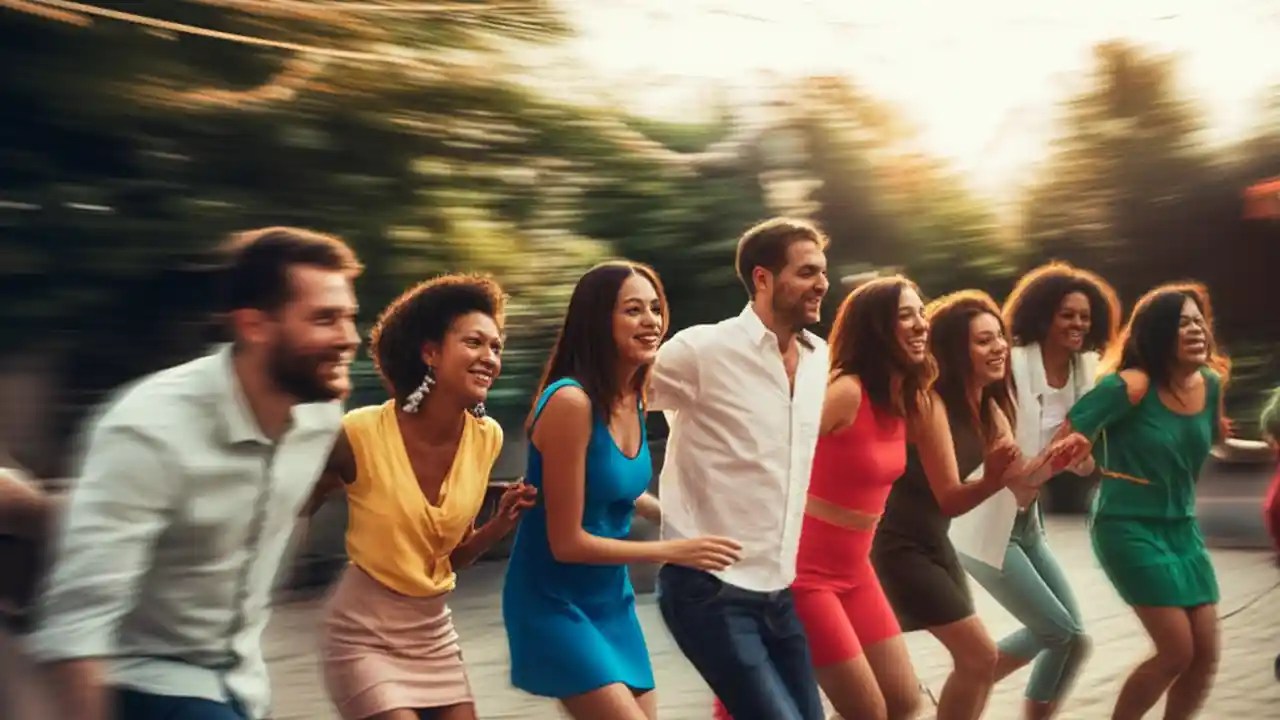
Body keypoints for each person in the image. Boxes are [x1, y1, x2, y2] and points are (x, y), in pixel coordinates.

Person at [28, 226, 362, 720]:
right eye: (325, 319)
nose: (350, 338)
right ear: (254, 325)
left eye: (350, 317)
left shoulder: (317, 416)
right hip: (140, 675)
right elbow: (77, 629)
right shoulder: (148, 431)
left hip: (243, 677)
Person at [502, 261, 742, 720]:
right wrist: (676, 548)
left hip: (611, 601)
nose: (650, 321)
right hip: (552, 603)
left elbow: (618, 488)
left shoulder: (634, 395)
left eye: (655, 308)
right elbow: (567, 543)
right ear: (597, 320)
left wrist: (680, 518)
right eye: (633, 310)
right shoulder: (570, 403)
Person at [302, 274, 538, 720]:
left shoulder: (487, 437)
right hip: (361, 634)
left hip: (432, 634)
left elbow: (450, 559)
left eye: (496, 347)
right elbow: (292, 508)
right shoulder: (360, 433)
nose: (489, 357)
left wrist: (500, 524)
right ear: (430, 353)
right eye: (474, 342)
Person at [649, 217, 831, 720]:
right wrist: (613, 490)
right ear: (763, 278)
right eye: (807, 271)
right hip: (709, 591)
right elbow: (607, 400)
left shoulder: (820, 358)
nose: (822, 283)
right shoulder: (700, 350)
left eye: (823, 271)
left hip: (777, 590)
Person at [1051, 283, 1231, 720]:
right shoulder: (1128, 386)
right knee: (1176, 651)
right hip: (1127, 525)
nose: (1195, 330)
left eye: (1198, 321)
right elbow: (1066, 440)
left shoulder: (1209, 383)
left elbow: (1217, 443)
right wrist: (1082, 456)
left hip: (1182, 528)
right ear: (1157, 333)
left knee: (1205, 654)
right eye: (1181, 322)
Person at [950, 262, 1120, 719]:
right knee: (1058, 633)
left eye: (1085, 316)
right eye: (1067, 314)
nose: (1078, 324)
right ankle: (959, 694)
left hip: (1028, 523)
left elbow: (1082, 456)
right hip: (986, 522)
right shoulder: (1011, 366)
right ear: (1043, 315)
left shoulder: (1086, 370)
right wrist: (1050, 462)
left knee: (1075, 642)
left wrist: (1083, 460)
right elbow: (999, 451)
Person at [871, 290, 1045, 720]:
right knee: (978, 658)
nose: (999, 347)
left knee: (893, 693)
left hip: (933, 545)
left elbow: (1018, 488)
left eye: (1000, 337)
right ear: (955, 350)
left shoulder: (990, 409)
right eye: (983, 341)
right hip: (896, 547)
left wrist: (1058, 461)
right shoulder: (931, 404)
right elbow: (950, 497)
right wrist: (991, 478)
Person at [787, 276, 935, 720]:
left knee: (904, 702)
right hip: (806, 576)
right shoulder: (846, 391)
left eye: (921, 313)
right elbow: (776, 454)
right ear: (876, 329)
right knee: (867, 711)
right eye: (904, 315)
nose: (920, 324)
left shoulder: (899, 398)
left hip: (855, 571)